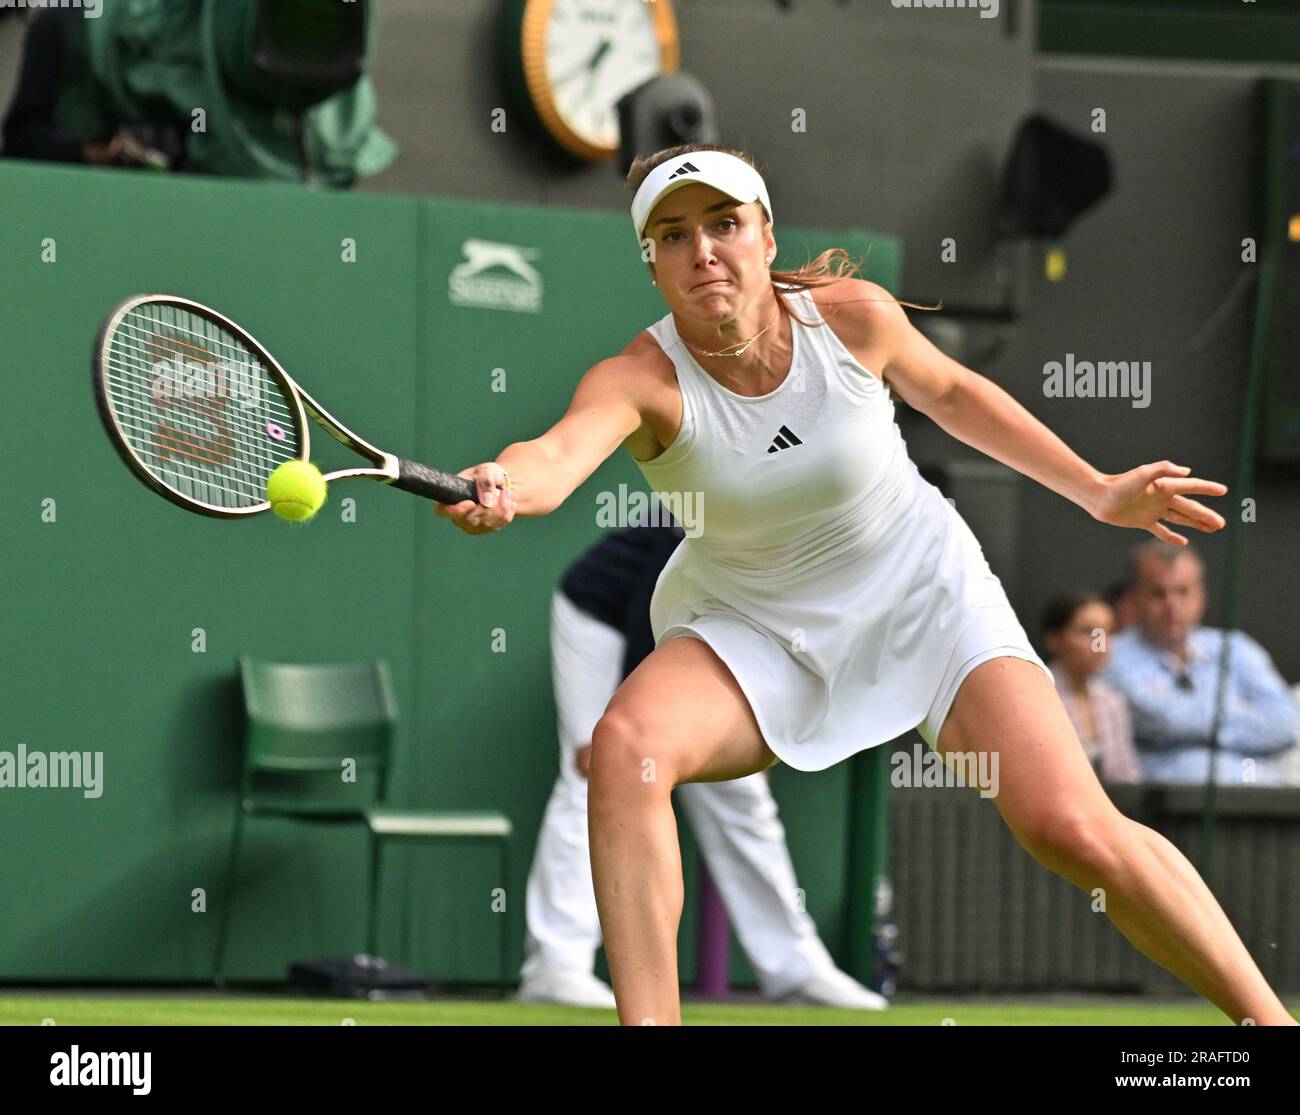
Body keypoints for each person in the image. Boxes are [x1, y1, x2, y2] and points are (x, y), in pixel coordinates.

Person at [435, 143, 1296, 1026]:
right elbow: (554, 456)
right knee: (626, 747)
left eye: (724, 224)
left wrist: (1099, 489)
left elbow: (955, 395)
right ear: (649, 262)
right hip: (751, 624)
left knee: (1070, 827)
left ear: (765, 236)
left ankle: (1268, 1023)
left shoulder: (850, 318)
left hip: (923, 594)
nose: (703, 252)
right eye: (674, 235)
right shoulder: (639, 380)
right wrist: (505, 483)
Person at [520, 519, 886, 1009]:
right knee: (589, 774)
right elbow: (647, 618)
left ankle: (796, 969)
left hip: (698, 638)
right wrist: (621, 736)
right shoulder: (708, 512)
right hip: (601, 616)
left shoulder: (808, 537)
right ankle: (554, 965)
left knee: (742, 791)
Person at [1101, 540, 1297, 785]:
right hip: (1169, 808)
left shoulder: (1235, 647)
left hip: (1262, 806)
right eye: (1158, 593)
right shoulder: (1110, 655)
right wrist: (1238, 709)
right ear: (1132, 599)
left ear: (1201, 596)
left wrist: (1198, 723)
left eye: (1183, 591)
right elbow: (1162, 721)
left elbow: (1286, 722)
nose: (1172, 605)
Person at [1041, 591, 1142, 784]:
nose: (1100, 644)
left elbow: (1127, 774)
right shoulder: (1037, 697)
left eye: (1108, 632)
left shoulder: (1112, 701)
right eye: (1088, 632)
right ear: (1054, 640)